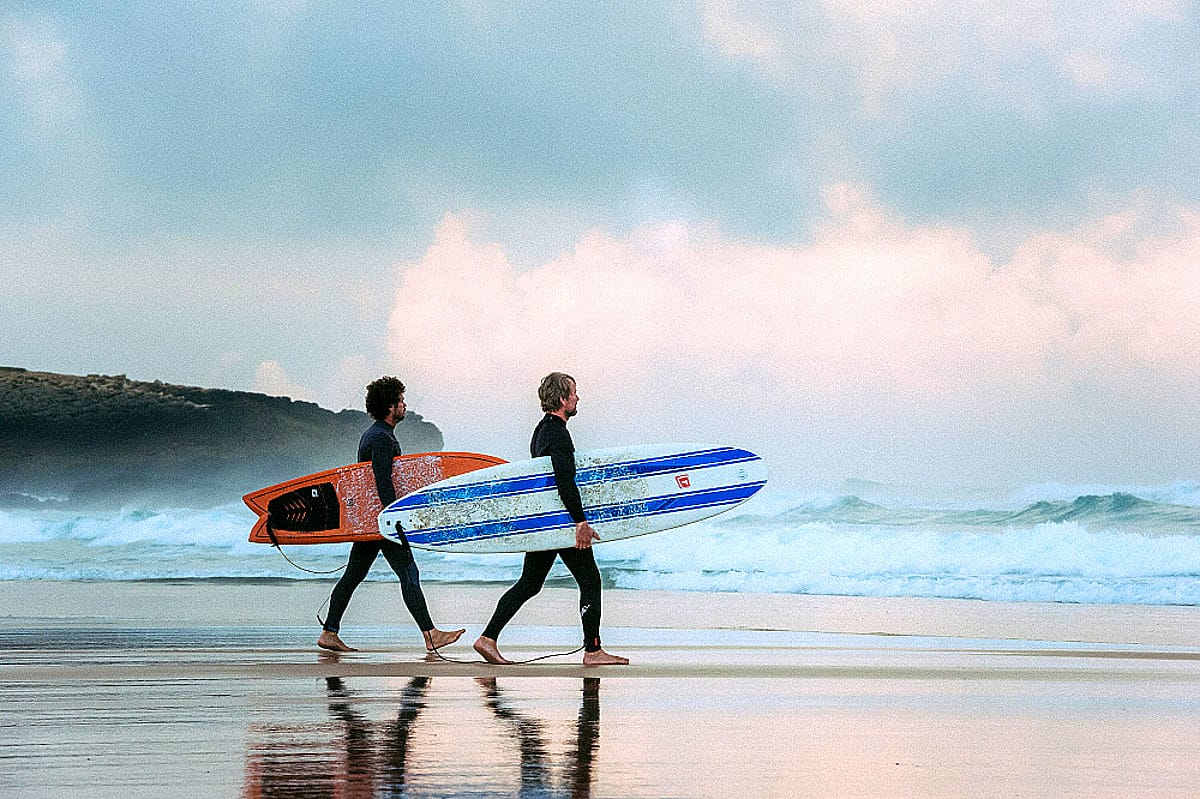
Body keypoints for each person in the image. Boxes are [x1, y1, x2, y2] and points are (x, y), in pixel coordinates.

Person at [473, 372, 628, 666]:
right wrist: (580, 522)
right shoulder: (557, 433)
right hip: (558, 524)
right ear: (561, 399)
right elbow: (564, 480)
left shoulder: (541, 430)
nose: (577, 397)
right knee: (590, 580)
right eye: (573, 393)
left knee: (530, 583)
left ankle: (487, 638)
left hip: (544, 521)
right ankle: (593, 651)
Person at [317, 376, 465, 653]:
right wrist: (394, 516)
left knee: (353, 575)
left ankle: (329, 631)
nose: (405, 404)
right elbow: (382, 480)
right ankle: (431, 635)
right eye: (401, 400)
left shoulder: (373, 434)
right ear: (390, 406)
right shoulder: (382, 438)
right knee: (408, 572)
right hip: (383, 521)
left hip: (371, 520)